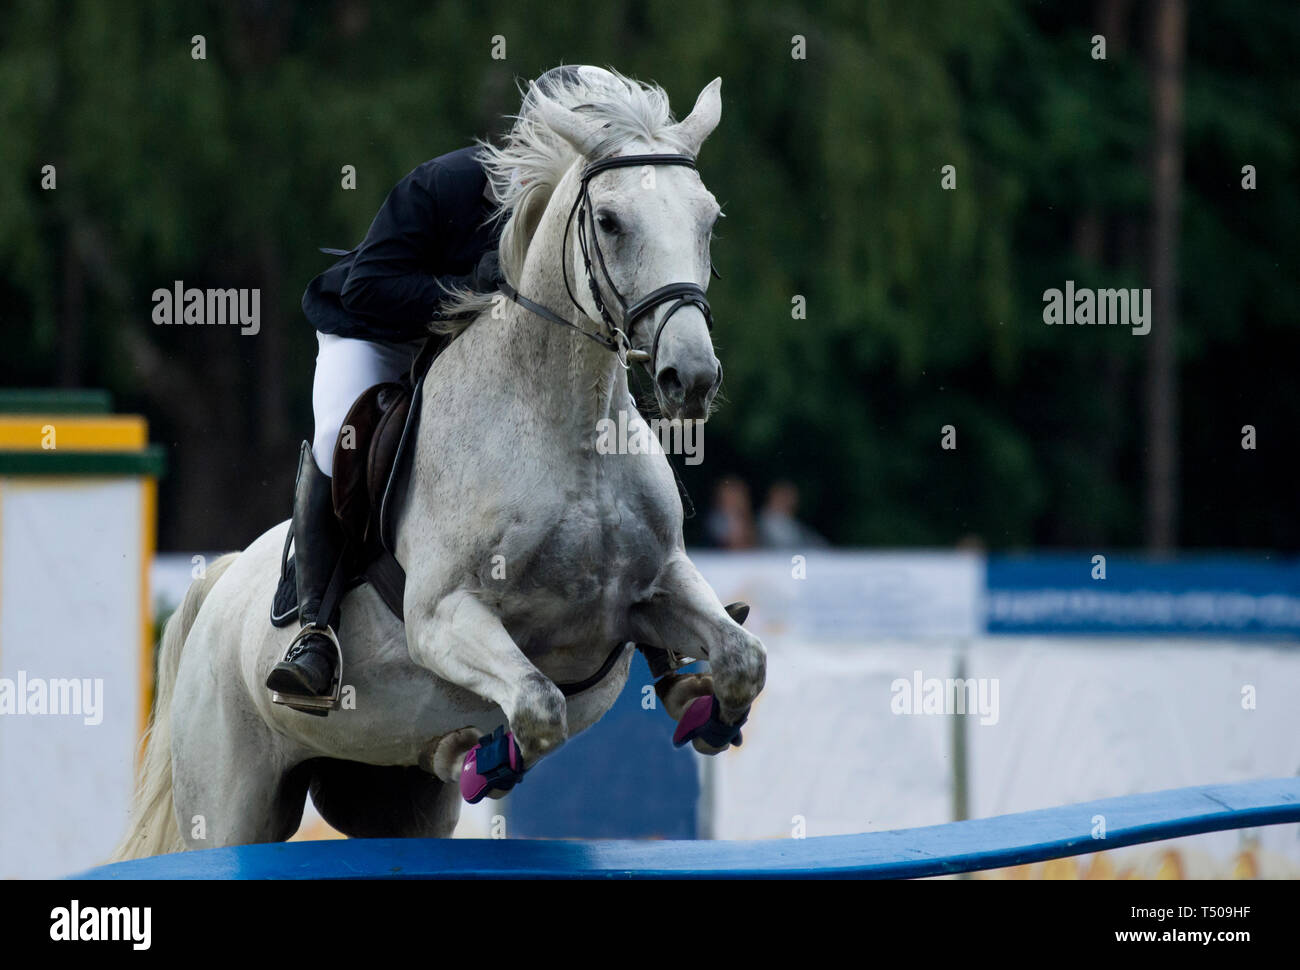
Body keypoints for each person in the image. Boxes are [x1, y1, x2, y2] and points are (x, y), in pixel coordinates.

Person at [266, 66, 583, 707]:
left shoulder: (576, 218)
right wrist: (476, 295)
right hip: (375, 335)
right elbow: (368, 288)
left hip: (471, 351)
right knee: (339, 438)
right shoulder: (448, 184)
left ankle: (660, 631)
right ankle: (316, 633)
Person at [757, 480, 828, 549]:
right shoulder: (755, 527)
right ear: (772, 496)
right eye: (784, 495)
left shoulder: (799, 528)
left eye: (791, 497)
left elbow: (821, 547)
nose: (789, 502)